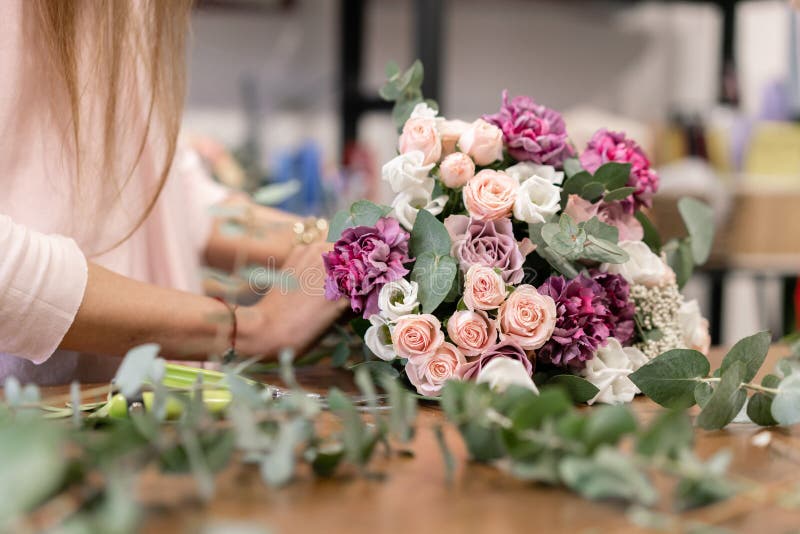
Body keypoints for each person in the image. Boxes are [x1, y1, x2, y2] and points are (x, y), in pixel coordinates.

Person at [0, 1, 344, 385]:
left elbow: (152, 185)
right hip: (33, 408)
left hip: (132, 396)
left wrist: (339, 249)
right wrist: (250, 329)